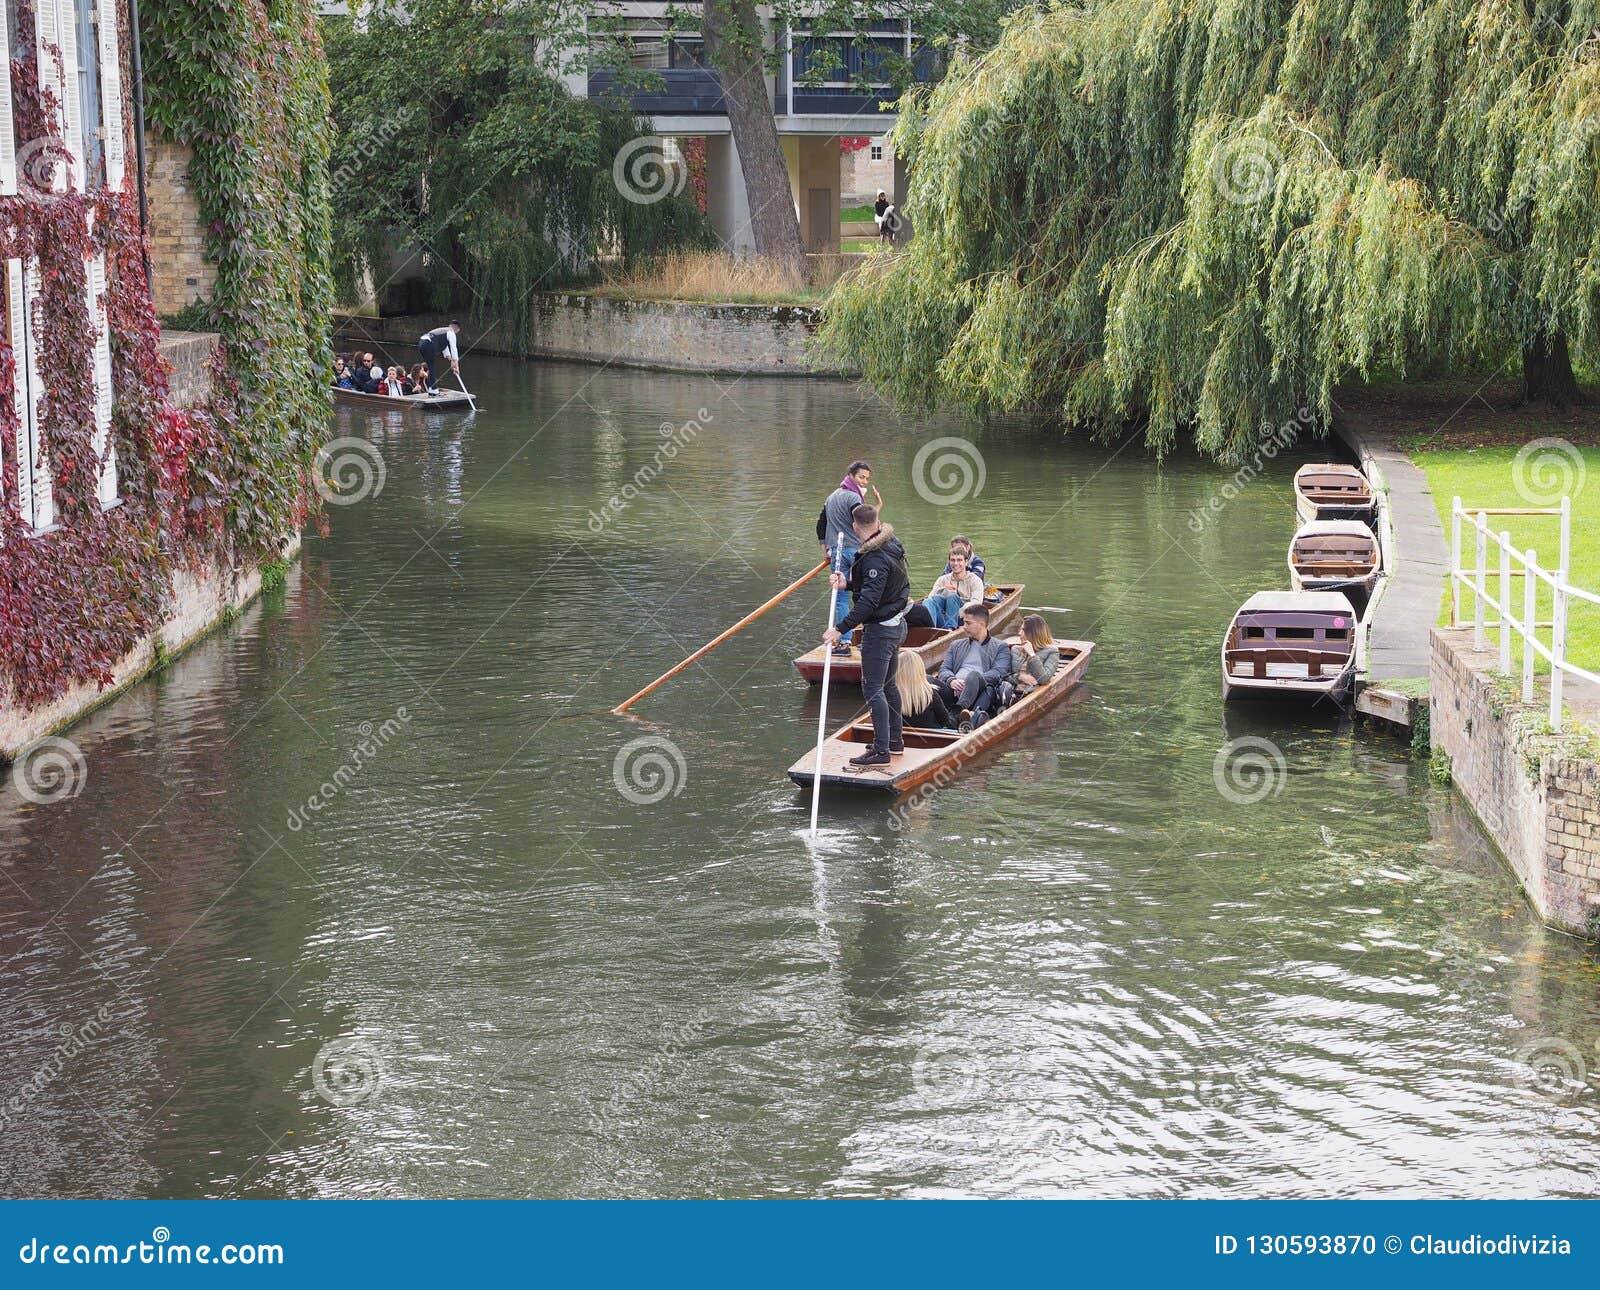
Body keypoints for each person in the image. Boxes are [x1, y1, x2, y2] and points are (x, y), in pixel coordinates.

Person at [823, 505, 910, 767]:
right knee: (888, 686)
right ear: (878, 522)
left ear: (854, 528)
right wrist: (846, 584)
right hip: (896, 626)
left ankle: (881, 751)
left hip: (882, 632)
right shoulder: (892, 543)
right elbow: (877, 589)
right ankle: (894, 741)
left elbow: (868, 603)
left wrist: (840, 628)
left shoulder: (873, 558)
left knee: (873, 688)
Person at [815, 461, 883, 656]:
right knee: (865, 594)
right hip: (856, 552)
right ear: (851, 475)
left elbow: (820, 526)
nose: (865, 481)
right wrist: (877, 507)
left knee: (841, 599)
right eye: (862, 477)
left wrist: (825, 550)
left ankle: (844, 642)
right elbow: (865, 522)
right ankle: (866, 638)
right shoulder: (854, 497)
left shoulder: (831, 497)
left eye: (867, 478)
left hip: (836, 553)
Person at [934, 604, 1011, 729]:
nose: (964, 627)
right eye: (964, 623)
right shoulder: (956, 645)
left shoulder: (1000, 647)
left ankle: (955, 713)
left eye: (967, 623)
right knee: (927, 678)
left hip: (980, 690)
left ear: (981, 624)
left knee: (973, 676)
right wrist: (951, 680)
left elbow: (998, 673)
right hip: (953, 688)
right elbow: (944, 669)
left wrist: (969, 683)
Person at [906, 547, 984, 631]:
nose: (955, 563)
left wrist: (958, 611)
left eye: (959, 560)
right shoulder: (942, 579)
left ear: (966, 562)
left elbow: (976, 604)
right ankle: (930, 629)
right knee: (928, 601)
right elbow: (931, 598)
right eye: (952, 560)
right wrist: (943, 591)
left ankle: (950, 629)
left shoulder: (975, 580)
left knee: (952, 596)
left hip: (964, 618)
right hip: (942, 619)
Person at [896, 648, 955, 730]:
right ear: (920, 670)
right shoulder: (929, 693)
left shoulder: (890, 696)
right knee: (956, 715)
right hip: (934, 738)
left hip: (903, 738)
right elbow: (945, 721)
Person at [1007, 614, 1061, 701]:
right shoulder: (1015, 649)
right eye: (1020, 629)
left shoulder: (1052, 652)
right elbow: (1004, 675)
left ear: (1034, 633)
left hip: (1030, 695)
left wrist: (1032, 655)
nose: (1019, 633)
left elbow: (1043, 679)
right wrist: (1019, 677)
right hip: (1009, 692)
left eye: (1023, 630)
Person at [419, 321, 463, 393]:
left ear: (449, 325)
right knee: (432, 366)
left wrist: (451, 361)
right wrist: (457, 366)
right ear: (458, 330)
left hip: (422, 343)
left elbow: (444, 347)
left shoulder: (443, 331)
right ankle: (434, 390)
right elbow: (453, 349)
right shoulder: (451, 333)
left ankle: (431, 388)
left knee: (430, 366)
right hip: (429, 343)